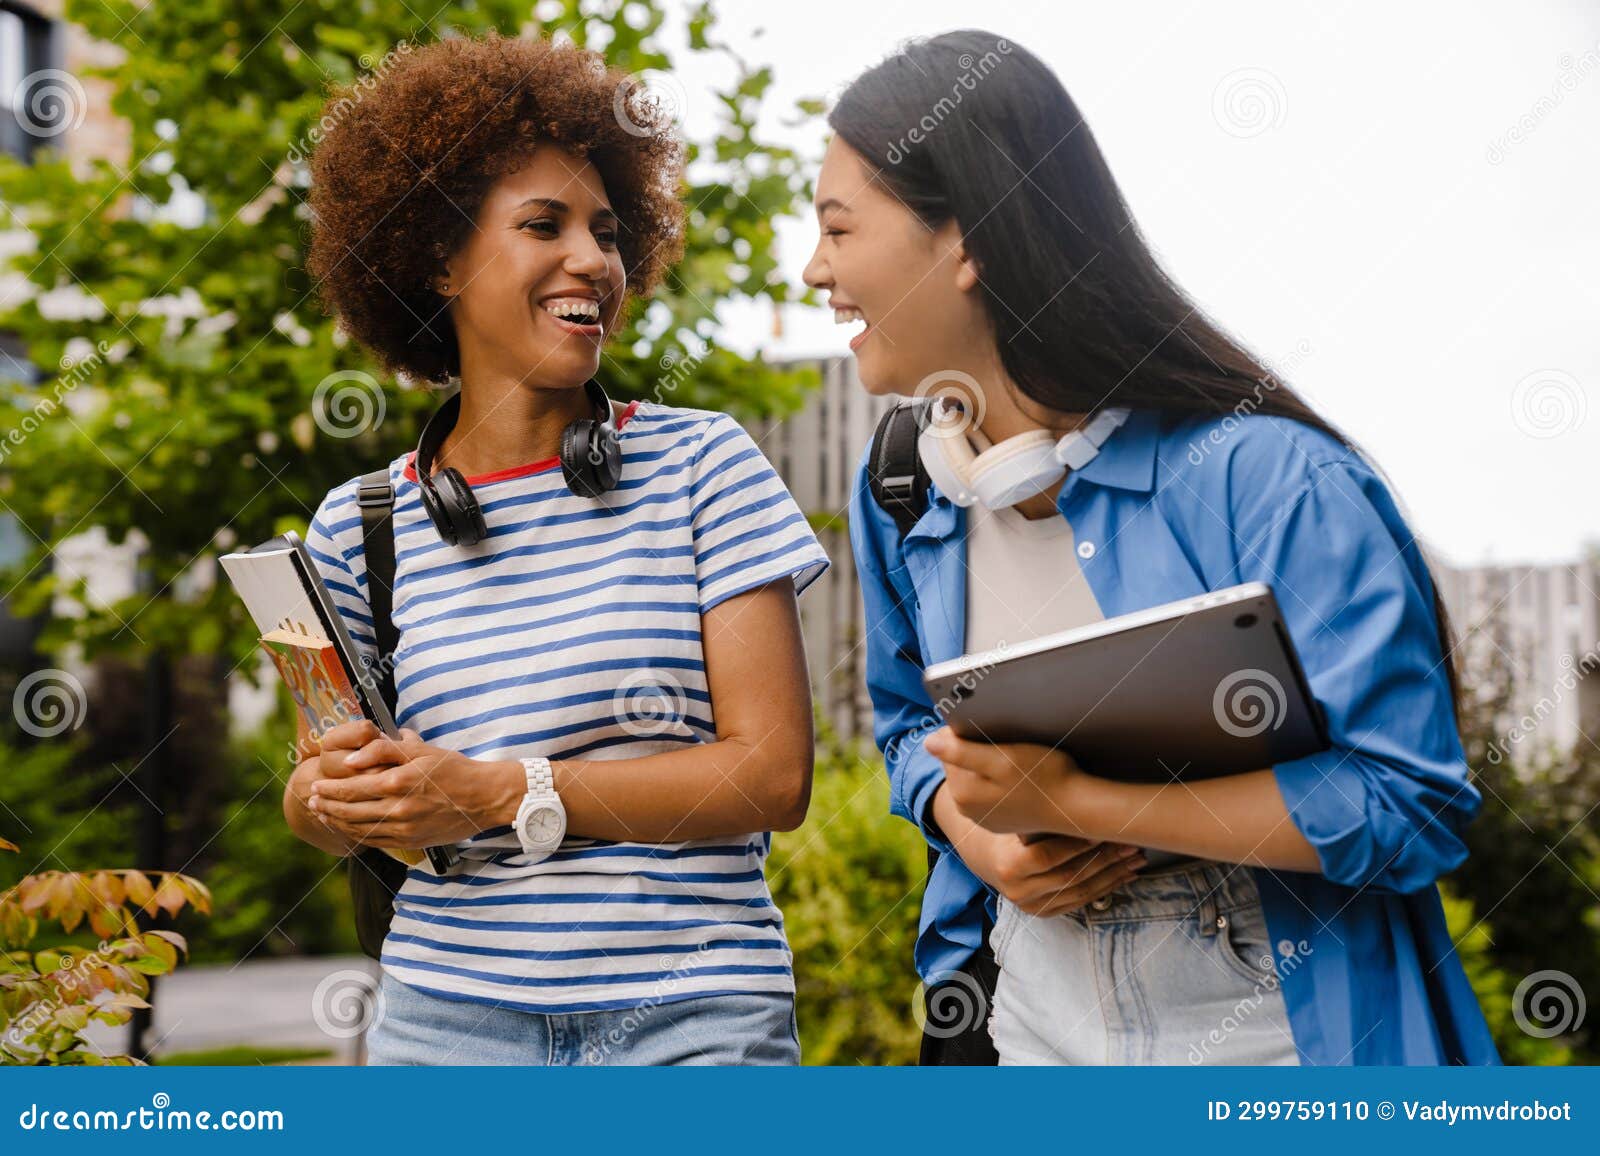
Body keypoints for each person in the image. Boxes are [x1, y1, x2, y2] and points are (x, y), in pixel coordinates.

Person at [806, 29, 1497, 1065]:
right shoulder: (901, 492)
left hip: (1272, 1042)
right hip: (1025, 1026)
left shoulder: (1269, 477)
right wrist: (974, 827)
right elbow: (906, 727)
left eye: (837, 228)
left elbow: (1411, 803)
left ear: (966, 242)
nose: (815, 269)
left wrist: (1082, 805)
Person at [283, 33, 828, 1066]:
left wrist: (498, 792)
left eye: (609, 232)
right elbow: (314, 798)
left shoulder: (702, 466)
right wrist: (335, 795)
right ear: (438, 259)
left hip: (694, 1014)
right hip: (444, 1024)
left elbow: (770, 776)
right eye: (544, 224)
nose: (593, 261)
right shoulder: (358, 528)